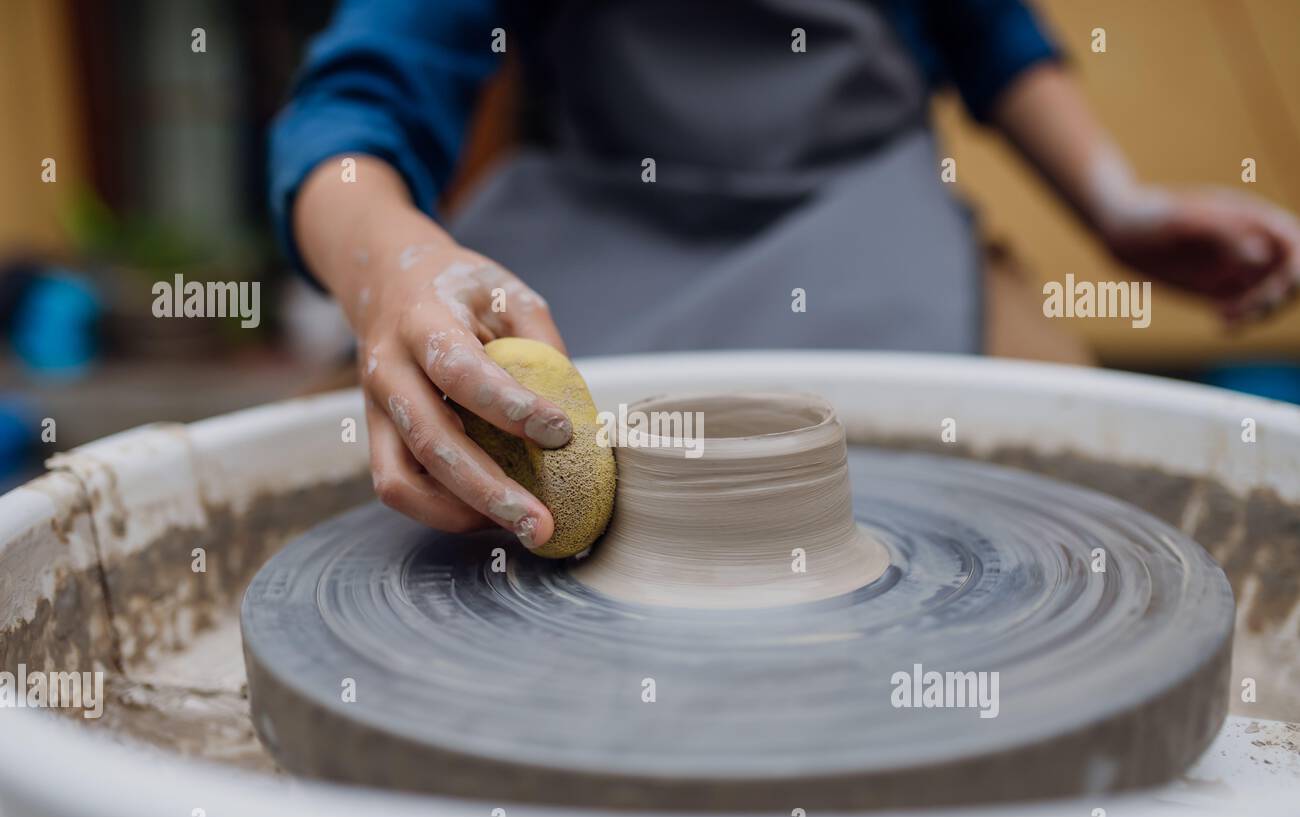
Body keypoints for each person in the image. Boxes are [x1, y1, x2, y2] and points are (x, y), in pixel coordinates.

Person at [270, 0, 1300, 550]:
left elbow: (987, 33)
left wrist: (1115, 208)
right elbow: (356, 100)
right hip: (611, 220)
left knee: (1085, 492)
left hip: (867, 213)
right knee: (338, 496)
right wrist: (394, 272)